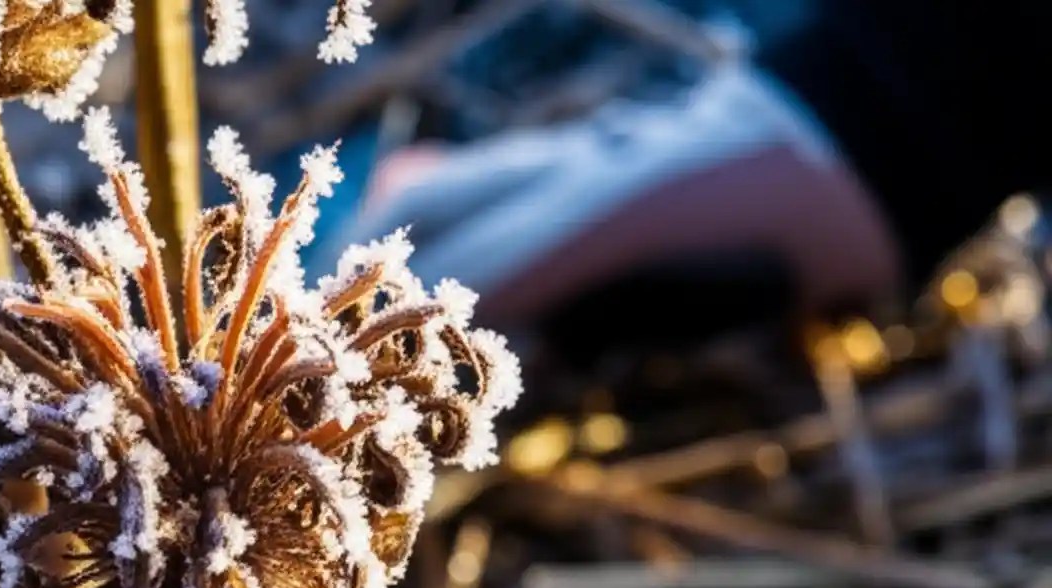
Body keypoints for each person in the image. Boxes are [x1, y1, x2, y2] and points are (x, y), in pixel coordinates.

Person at [319, 1, 1052, 345]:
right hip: (758, 111)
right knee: (414, 204)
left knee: (429, 295)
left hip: (833, 169)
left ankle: (244, 445)